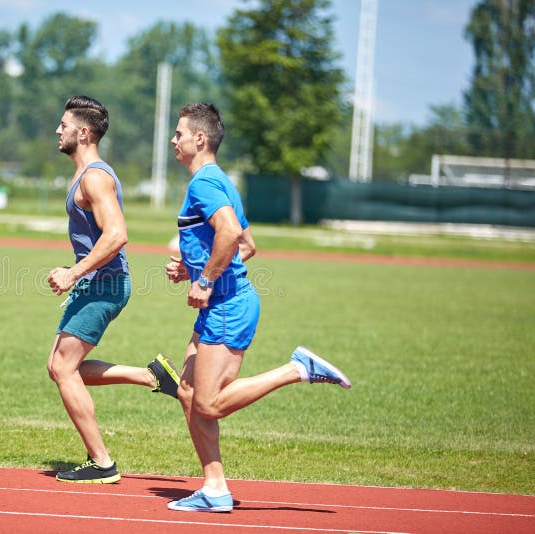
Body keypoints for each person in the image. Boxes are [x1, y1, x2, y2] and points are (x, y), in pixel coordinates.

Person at [164, 102, 352, 512]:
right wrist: (193, 269)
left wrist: (205, 280)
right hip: (223, 304)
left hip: (227, 305)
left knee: (209, 403)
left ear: (200, 138)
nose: (173, 140)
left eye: (179, 133)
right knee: (188, 392)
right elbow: (247, 245)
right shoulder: (219, 180)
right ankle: (215, 489)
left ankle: (297, 369)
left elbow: (231, 233)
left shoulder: (204, 183)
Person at [47, 95, 180, 484]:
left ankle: (101, 462)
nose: (57, 130)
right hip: (97, 282)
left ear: (83, 133)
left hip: (104, 285)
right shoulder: (87, 175)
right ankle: (150, 376)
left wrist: (74, 273)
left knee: (62, 368)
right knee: (61, 368)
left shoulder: (95, 177)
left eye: (64, 125)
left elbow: (117, 234)